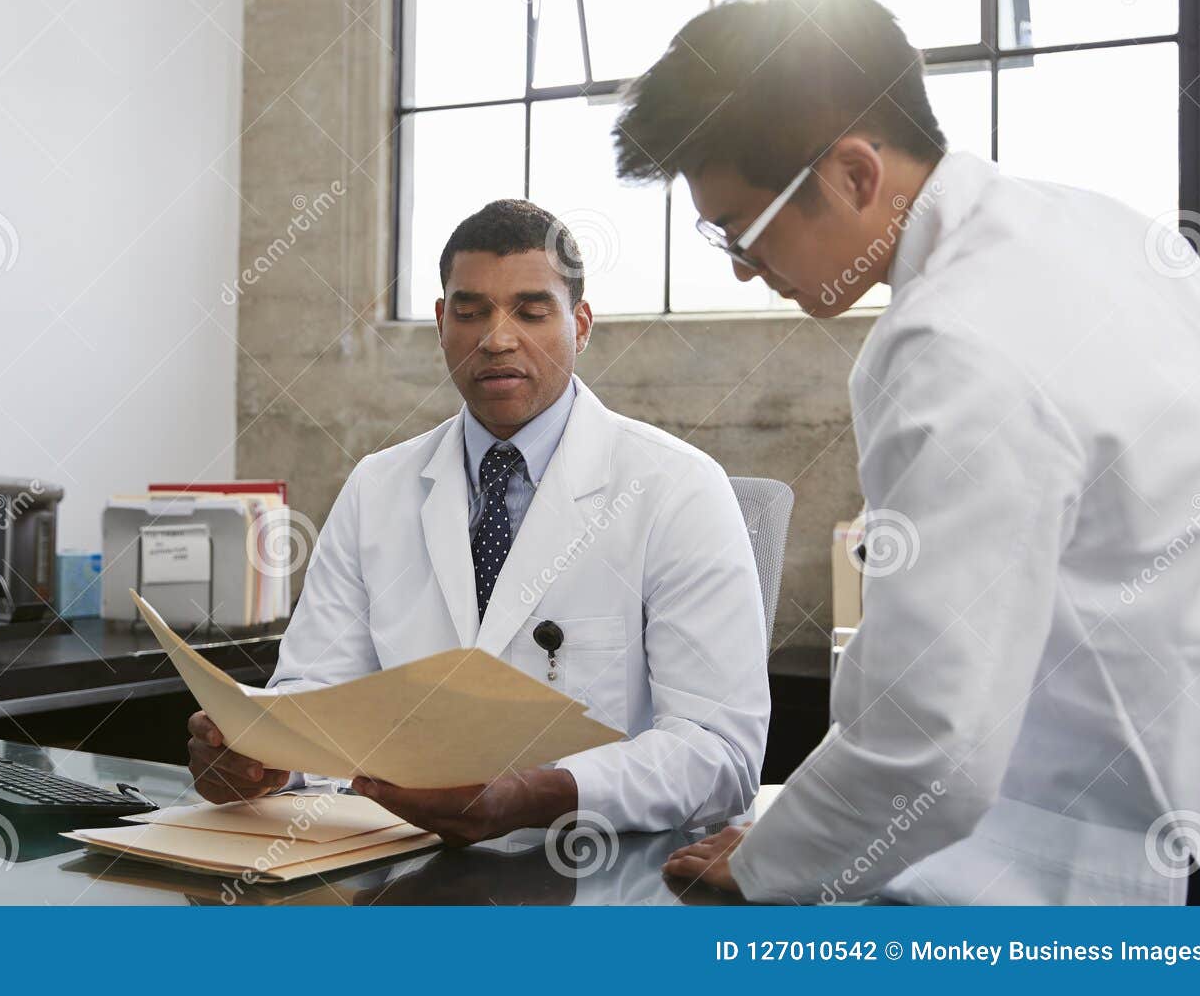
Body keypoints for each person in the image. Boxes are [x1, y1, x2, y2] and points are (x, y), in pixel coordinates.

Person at [615, 0, 1200, 904]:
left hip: (1136, 855)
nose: (743, 265)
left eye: (743, 229)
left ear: (856, 175)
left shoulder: (951, 344)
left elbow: (932, 745)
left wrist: (766, 864)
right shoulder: (1097, 225)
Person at [186, 199, 770, 844]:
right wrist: (261, 758)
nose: (496, 338)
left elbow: (720, 755)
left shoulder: (676, 487)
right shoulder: (379, 485)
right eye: (470, 312)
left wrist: (530, 796)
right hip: (398, 862)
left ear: (580, 323)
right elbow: (316, 694)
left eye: (531, 310)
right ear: (441, 323)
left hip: (595, 870)